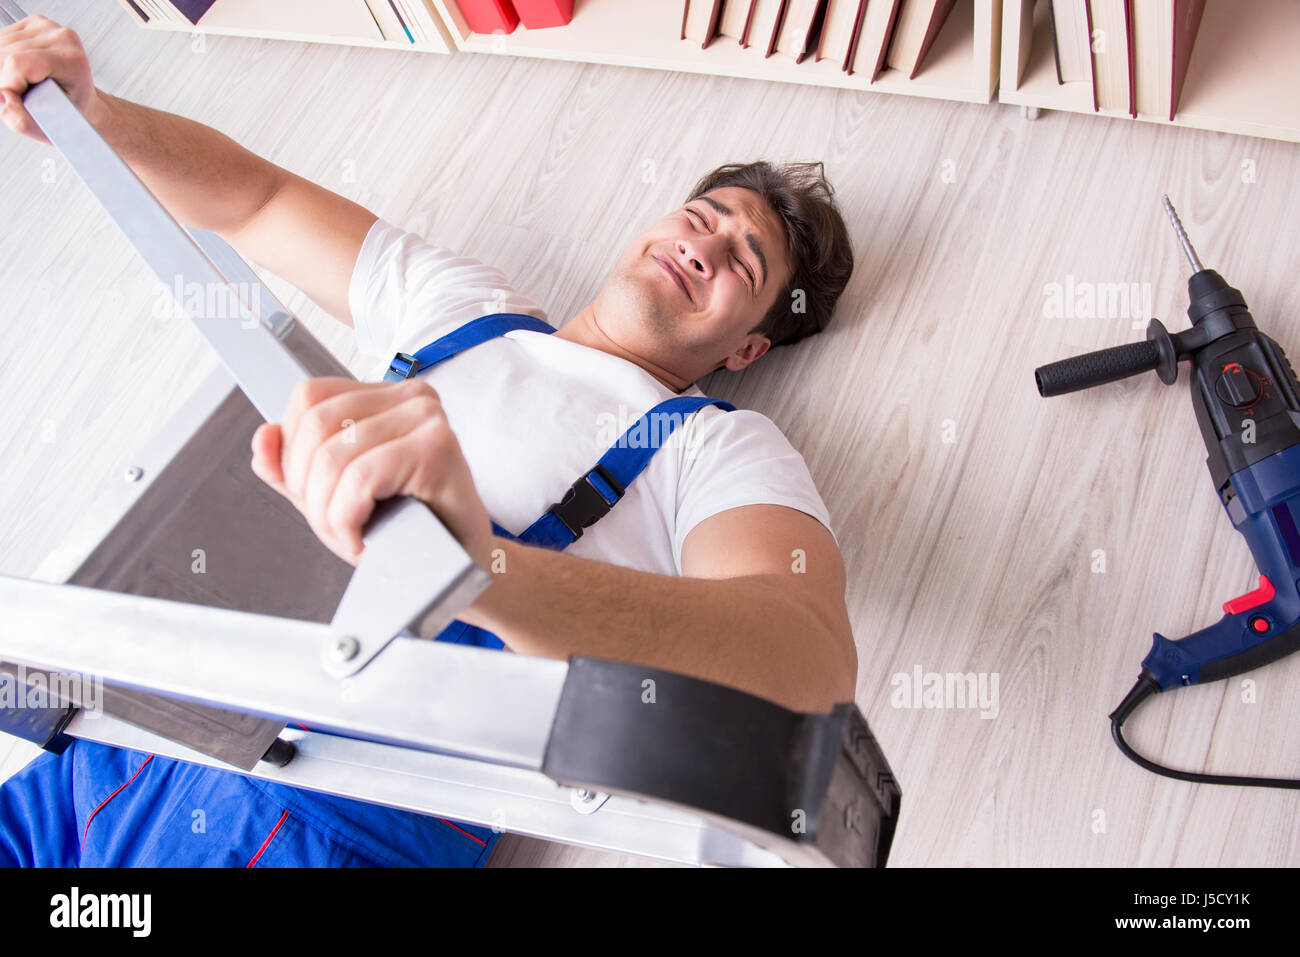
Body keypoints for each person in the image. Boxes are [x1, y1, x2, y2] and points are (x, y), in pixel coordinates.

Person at [0, 15, 858, 867]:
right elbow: (254, 199)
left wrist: (478, 563)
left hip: (339, 819)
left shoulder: (721, 450)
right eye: (701, 215)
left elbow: (808, 667)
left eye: (744, 262)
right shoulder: (465, 305)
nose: (701, 246)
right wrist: (100, 118)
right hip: (140, 725)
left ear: (748, 347)